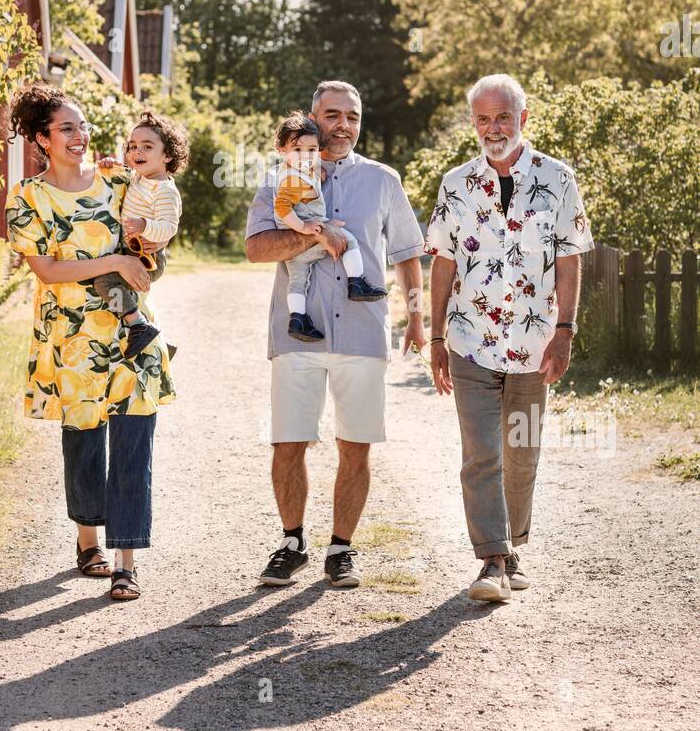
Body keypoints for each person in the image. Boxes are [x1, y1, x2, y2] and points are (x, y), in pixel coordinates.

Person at [246, 80, 426, 589]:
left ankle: (341, 549)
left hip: (363, 333)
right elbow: (257, 249)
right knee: (288, 442)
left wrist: (416, 318)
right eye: (331, 115)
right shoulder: (277, 177)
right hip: (296, 333)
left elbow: (407, 254)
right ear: (312, 117)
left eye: (351, 115)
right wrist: (312, 233)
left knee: (357, 444)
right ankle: (291, 542)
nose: (342, 124)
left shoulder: (383, 180)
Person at [424, 73, 594, 604]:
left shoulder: (557, 178)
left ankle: (512, 546)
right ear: (472, 122)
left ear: (523, 118)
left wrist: (565, 330)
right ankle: (491, 559)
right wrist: (435, 338)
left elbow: (570, 258)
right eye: (482, 118)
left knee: (522, 449)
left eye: (502, 117)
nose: (492, 128)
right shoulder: (456, 183)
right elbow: (443, 261)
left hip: (534, 340)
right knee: (481, 451)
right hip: (470, 340)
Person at [4, 83, 175, 603]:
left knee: (134, 436)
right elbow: (49, 270)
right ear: (41, 139)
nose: (80, 136)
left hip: (131, 331)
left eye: (82, 126)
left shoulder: (119, 179)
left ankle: (126, 560)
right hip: (72, 337)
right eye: (67, 128)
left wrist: (145, 254)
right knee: (83, 437)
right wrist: (115, 262)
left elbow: (161, 208)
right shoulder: (27, 198)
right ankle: (87, 541)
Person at [272, 110, 387, 343]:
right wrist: (304, 228)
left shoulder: (295, 170)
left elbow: (306, 178)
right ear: (282, 151)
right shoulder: (292, 180)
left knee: (298, 280)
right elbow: (283, 207)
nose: (306, 156)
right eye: (297, 150)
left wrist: (318, 173)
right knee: (348, 240)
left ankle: (297, 319)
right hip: (305, 233)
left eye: (312, 150)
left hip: (293, 253)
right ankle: (357, 282)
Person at [93, 109, 187, 356]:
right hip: (131, 251)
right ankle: (159, 346)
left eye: (147, 147)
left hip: (148, 258)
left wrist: (146, 225)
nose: (137, 152)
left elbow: (169, 226)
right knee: (130, 296)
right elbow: (122, 174)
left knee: (105, 281)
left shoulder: (164, 190)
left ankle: (139, 325)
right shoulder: (139, 177)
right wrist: (109, 165)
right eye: (132, 146)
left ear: (167, 155)